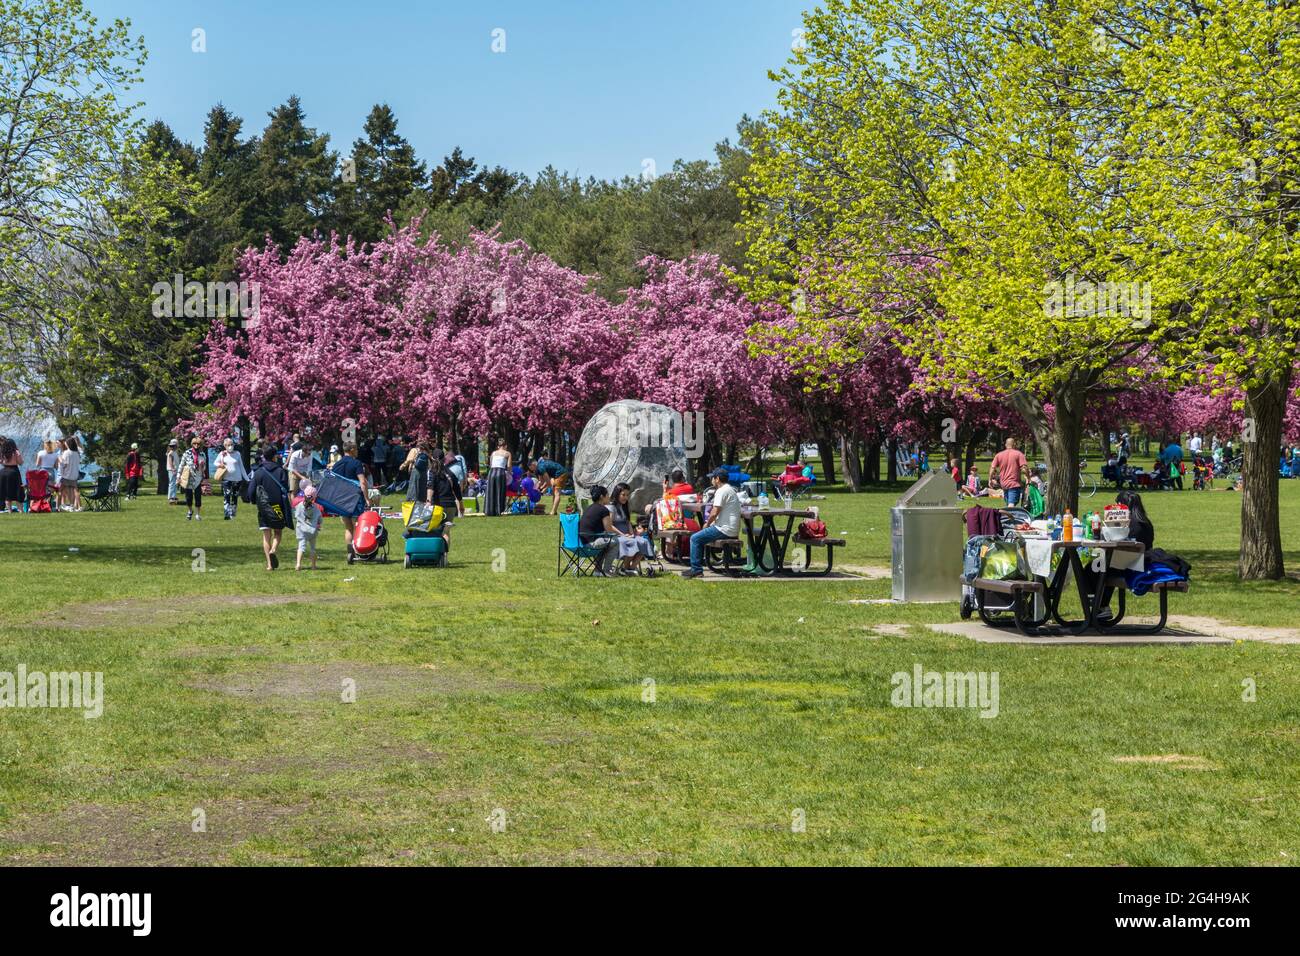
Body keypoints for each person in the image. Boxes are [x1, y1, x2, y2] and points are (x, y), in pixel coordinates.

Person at [682, 467, 742, 579]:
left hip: (724, 529)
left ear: (717, 479)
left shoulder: (721, 491)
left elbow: (714, 512)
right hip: (730, 528)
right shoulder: (730, 489)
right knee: (699, 537)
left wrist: (707, 524)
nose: (712, 480)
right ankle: (697, 568)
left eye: (713, 478)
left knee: (695, 538)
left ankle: (696, 570)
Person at [246, 445, 290, 570]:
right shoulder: (281, 471)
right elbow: (285, 489)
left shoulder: (259, 472)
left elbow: (251, 490)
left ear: (263, 457)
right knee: (278, 531)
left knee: (266, 535)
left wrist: (254, 501)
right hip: (277, 505)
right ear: (275, 456)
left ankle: (269, 565)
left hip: (263, 505)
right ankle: (274, 550)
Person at [327, 442, 368, 553]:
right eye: (356, 449)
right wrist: (367, 498)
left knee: (348, 527)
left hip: (341, 500)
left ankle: (350, 551)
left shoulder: (336, 464)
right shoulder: (356, 463)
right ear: (352, 449)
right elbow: (362, 482)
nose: (358, 451)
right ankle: (358, 550)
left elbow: (332, 483)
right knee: (357, 526)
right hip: (355, 499)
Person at [608, 482, 656, 576]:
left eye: (627, 495)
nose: (626, 497)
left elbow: (628, 522)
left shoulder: (624, 507)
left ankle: (631, 567)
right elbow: (610, 525)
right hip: (616, 535)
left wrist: (632, 534)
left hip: (627, 535)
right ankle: (625, 568)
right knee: (631, 542)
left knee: (644, 541)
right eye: (623, 495)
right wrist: (623, 534)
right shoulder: (611, 508)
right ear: (617, 494)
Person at [577, 485, 622, 576]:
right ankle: (606, 570)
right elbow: (608, 529)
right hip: (589, 544)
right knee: (615, 541)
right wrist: (621, 535)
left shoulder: (590, 508)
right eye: (607, 495)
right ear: (602, 496)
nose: (609, 497)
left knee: (604, 542)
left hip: (580, 542)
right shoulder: (603, 510)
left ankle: (598, 571)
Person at [988, 437, 1029, 506]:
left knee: (1008, 504)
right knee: (1011, 504)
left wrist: (990, 479)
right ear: (1014, 444)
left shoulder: (999, 455)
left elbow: (992, 468)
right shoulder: (1019, 454)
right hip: (1014, 483)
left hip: (1004, 484)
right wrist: (1028, 477)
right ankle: (1008, 516)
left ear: (1006, 445)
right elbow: (1024, 469)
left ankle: (1008, 515)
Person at [215, 438, 249, 519]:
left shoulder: (237, 454)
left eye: (231, 444)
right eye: (228, 445)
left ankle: (233, 514)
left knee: (234, 496)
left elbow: (241, 466)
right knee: (226, 496)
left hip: (237, 479)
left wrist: (247, 478)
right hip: (226, 479)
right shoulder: (222, 454)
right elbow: (215, 462)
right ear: (225, 446)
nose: (230, 446)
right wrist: (220, 465)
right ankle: (226, 513)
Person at [294, 481, 324, 570]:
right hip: (312, 531)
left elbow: (296, 516)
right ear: (314, 497)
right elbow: (320, 520)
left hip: (301, 531)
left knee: (301, 547)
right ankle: (313, 566)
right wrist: (318, 524)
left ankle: (298, 564)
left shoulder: (299, 506)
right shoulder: (316, 508)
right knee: (312, 548)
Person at [177, 437, 206, 520]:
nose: (196, 446)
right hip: (188, 478)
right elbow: (181, 465)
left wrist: (202, 466)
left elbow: (204, 468)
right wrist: (178, 476)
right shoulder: (187, 453)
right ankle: (190, 511)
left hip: (198, 478)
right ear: (192, 444)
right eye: (194, 444)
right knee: (189, 497)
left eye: (198, 444)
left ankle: (197, 514)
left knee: (198, 497)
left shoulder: (202, 454)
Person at [485, 437, 511, 516]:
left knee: (491, 491)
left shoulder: (493, 453)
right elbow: (509, 466)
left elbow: (490, 464)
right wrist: (510, 473)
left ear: (498, 446)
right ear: (505, 446)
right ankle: (499, 510)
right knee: (500, 491)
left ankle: (489, 511)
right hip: (500, 472)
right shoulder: (507, 453)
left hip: (492, 472)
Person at [58, 436, 82, 512]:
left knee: (60, 491)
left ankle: (58, 507)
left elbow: (64, 464)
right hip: (74, 475)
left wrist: (60, 460)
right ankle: (72, 505)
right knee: (72, 491)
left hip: (66, 475)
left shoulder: (66, 453)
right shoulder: (76, 453)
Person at [0, 437, 23, 513]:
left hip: (4, 472)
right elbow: (20, 462)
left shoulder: (2, 452)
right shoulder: (16, 452)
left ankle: (9, 511)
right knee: (17, 490)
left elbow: (1, 461)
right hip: (14, 471)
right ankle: (20, 510)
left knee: (6, 492)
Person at [166, 438, 180, 504]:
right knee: (172, 483)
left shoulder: (174, 452)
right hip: (172, 470)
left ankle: (174, 496)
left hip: (175, 469)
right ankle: (171, 496)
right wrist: (172, 469)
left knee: (174, 483)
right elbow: (170, 462)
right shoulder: (171, 453)